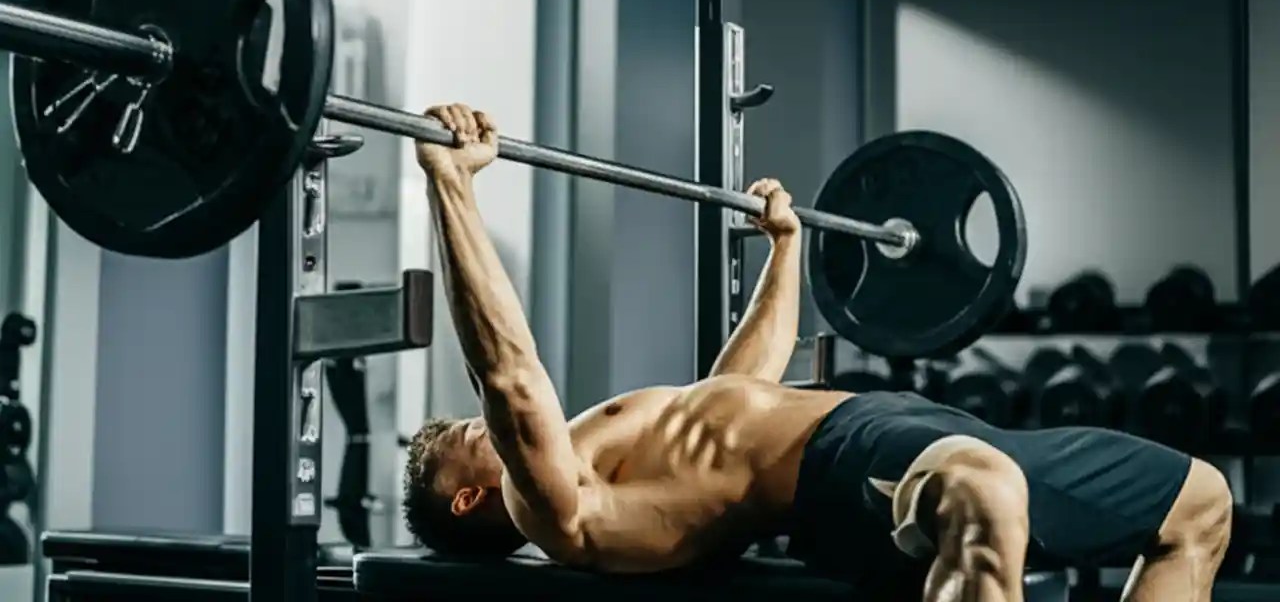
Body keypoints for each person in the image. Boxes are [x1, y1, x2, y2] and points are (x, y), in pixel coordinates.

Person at [403, 103, 1232, 602]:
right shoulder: (552, 506)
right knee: (985, 493)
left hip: (902, 425)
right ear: (471, 501)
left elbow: (738, 391)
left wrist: (785, 251)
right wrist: (453, 184)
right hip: (839, 474)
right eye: (461, 439)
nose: (476, 425)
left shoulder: (628, 449)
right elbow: (506, 370)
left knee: (1198, 503)